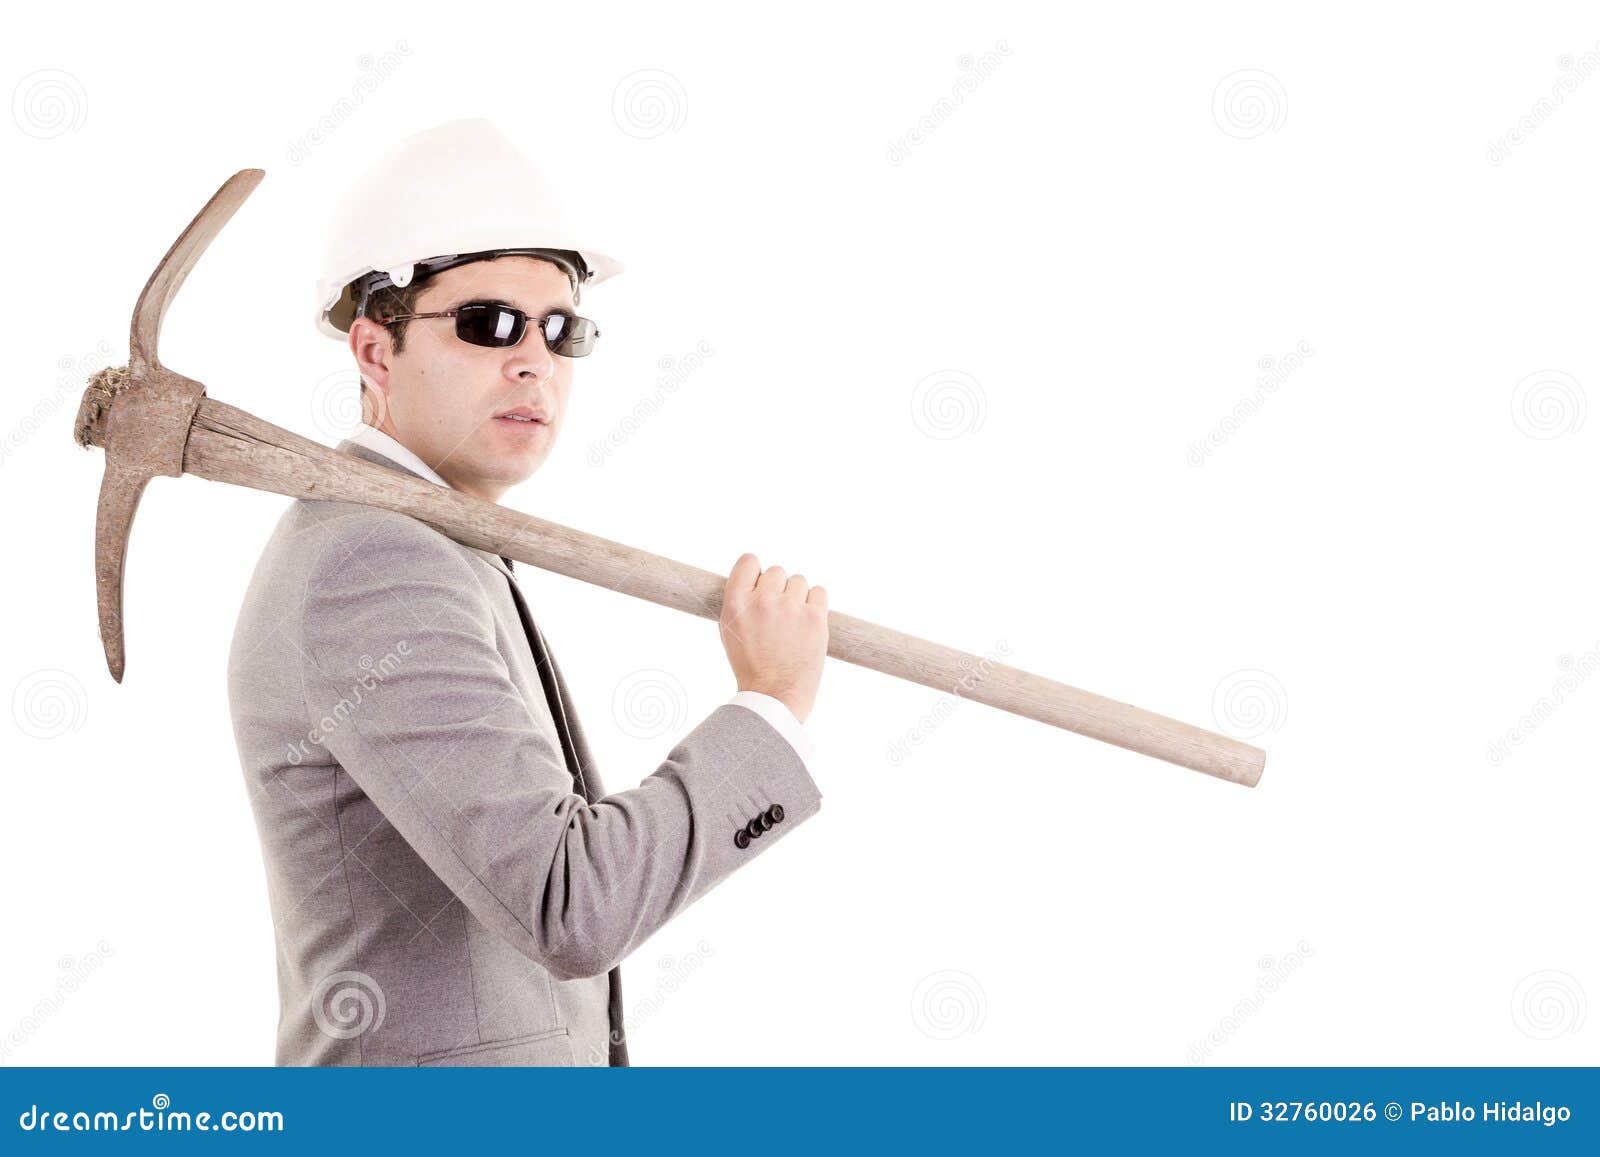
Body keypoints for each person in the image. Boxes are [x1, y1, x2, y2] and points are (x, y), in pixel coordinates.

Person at [227, 118, 827, 1066]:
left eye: (560, 330)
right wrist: (770, 705)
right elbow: (570, 902)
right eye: (489, 322)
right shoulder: (376, 561)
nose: (533, 360)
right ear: (374, 352)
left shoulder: (440, 544)